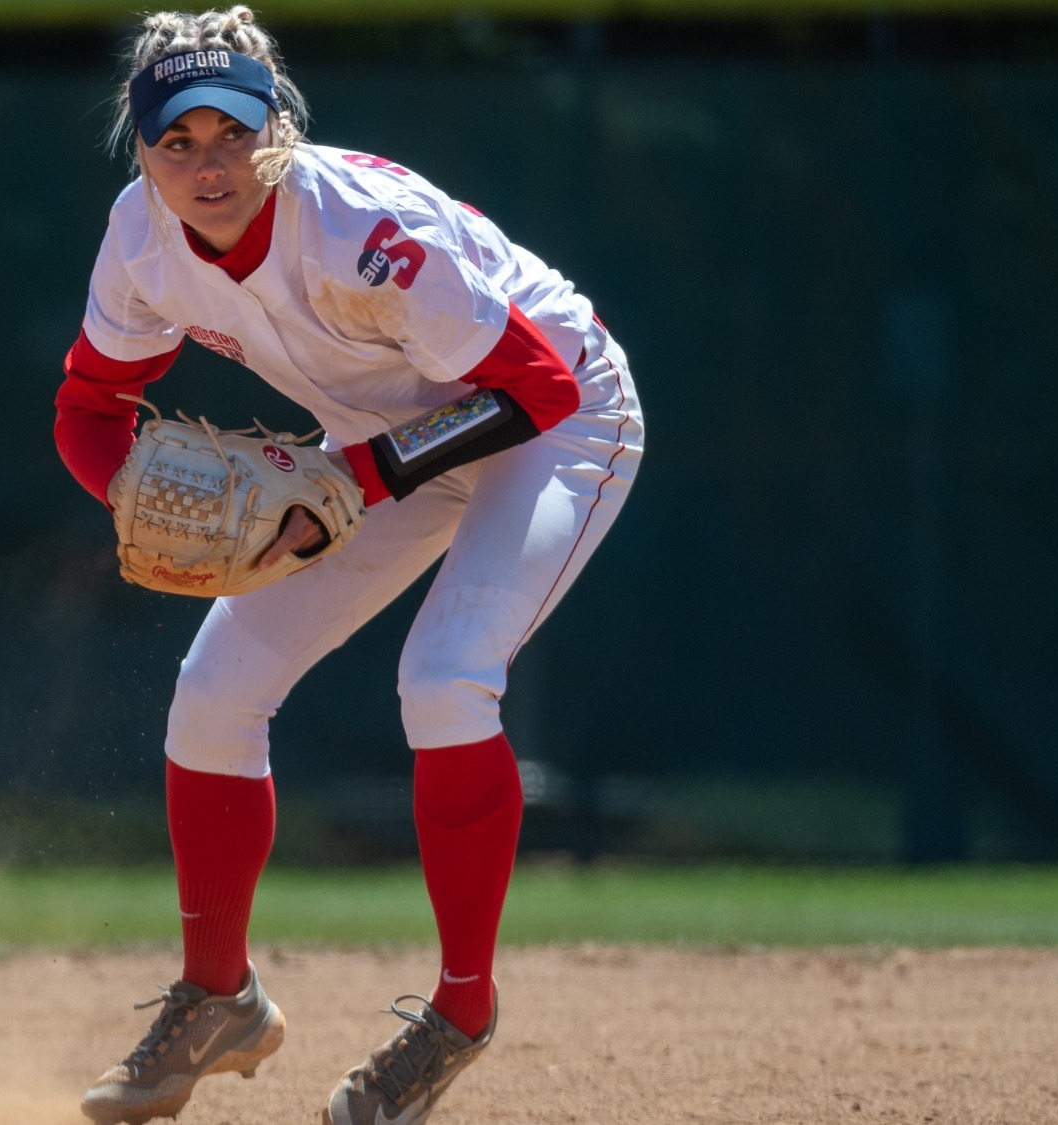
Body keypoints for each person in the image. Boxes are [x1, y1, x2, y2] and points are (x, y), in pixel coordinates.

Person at [55, 8, 643, 1123]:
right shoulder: (141, 234)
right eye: (175, 142)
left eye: (229, 131)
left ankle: (459, 1011)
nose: (205, 164)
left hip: (554, 422)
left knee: (444, 680)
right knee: (212, 694)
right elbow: (89, 405)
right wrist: (131, 496)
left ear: (273, 128)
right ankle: (216, 995)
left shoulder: (359, 228)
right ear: (141, 151)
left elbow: (535, 391)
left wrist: (348, 489)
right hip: (380, 441)